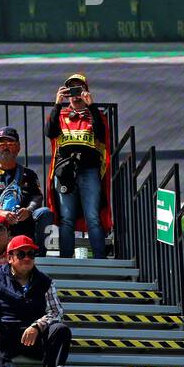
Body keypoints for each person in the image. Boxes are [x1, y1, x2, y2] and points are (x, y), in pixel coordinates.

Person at [0, 235, 72, 367]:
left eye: (31, 254)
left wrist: (37, 326)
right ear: (10, 258)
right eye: (21, 254)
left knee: (60, 329)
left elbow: (56, 311)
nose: (27, 258)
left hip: (32, 339)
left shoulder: (45, 281)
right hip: (3, 337)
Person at [46, 73, 111, 258]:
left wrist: (92, 105)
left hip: (89, 171)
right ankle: (66, 259)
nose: (75, 94)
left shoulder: (94, 115)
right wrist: (57, 103)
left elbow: (101, 134)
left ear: (86, 92)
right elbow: (49, 132)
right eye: (71, 90)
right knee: (67, 219)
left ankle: (100, 260)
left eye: (79, 89)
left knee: (93, 217)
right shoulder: (61, 113)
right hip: (65, 172)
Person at [0, 126, 55, 249]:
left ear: (18, 147)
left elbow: (38, 197)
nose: (5, 147)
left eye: (10, 143)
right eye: (1, 143)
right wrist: (0, 212)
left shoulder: (29, 174)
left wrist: (28, 210)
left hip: (24, 220)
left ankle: (38, 253)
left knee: (45, 212)